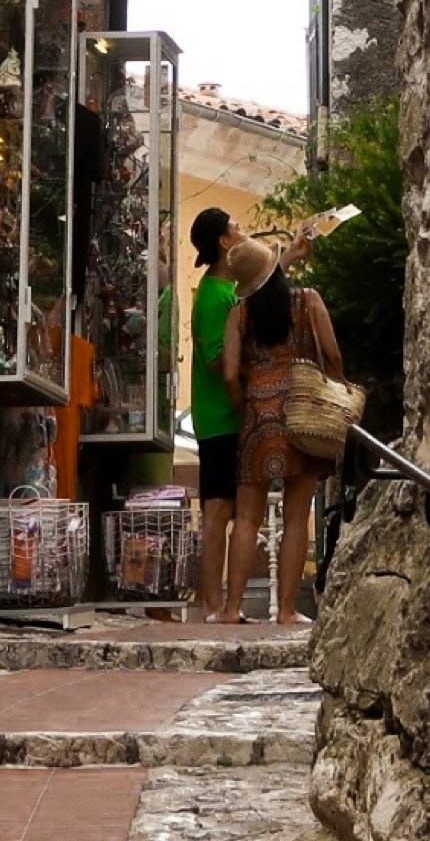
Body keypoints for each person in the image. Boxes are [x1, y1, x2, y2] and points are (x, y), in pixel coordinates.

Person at [214, 235, 341, 627]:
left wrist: (246, 406)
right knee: (296, 516)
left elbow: (231, 375)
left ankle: (232, 608)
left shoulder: (239, 315)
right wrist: (334, 387)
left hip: (258, 416)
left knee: (247, 517)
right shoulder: (309, 300)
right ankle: (286, 610)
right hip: (302, 411)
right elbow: (333, 354)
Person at [183, 208, 240, 623]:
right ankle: (212, 603)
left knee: (225, 510)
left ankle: (216, 602)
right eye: (235, 226)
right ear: (223, 240)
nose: (241, 231)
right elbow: (216, 361)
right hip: (220, 418)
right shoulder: (213, 298)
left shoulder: (225, 290)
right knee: (217, 512)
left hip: (226, 417)